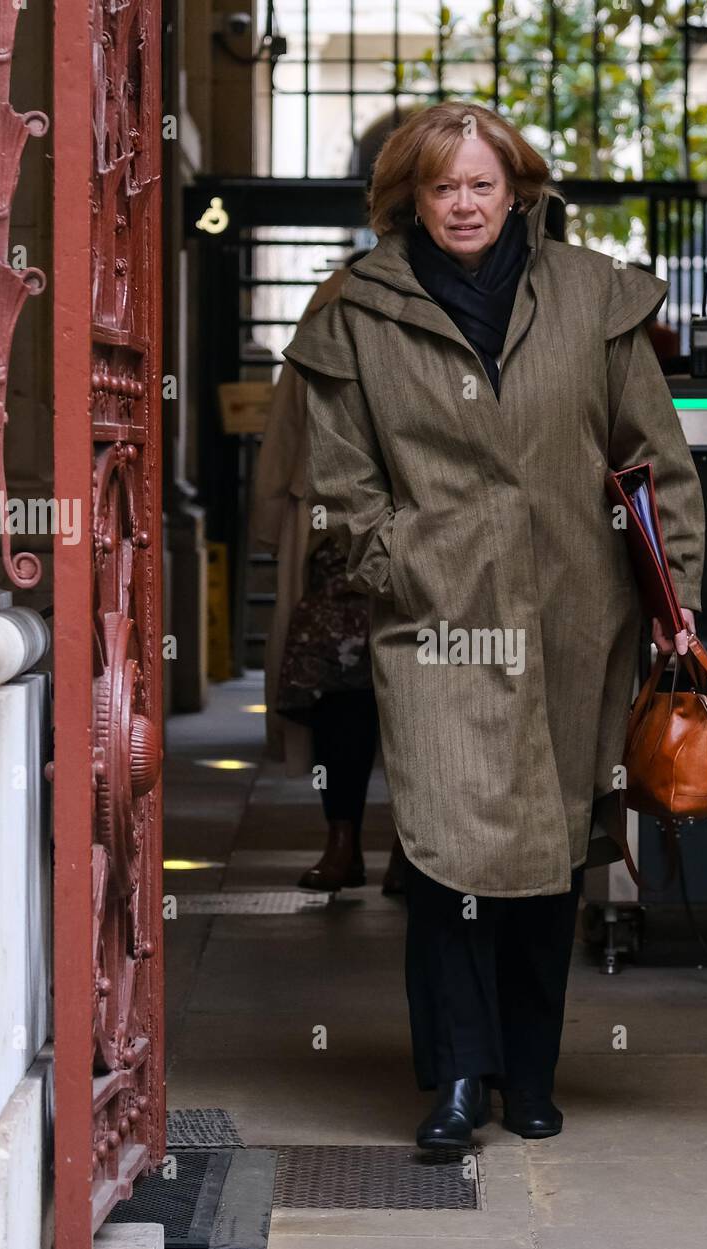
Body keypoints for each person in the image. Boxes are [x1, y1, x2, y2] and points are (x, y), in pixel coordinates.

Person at [282, 102, 705, 1148]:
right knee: (442, 854)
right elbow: (335, 483)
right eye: (440, 187)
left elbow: (654, 457)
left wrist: (672, 589)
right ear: (408, 199)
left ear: (516, 189)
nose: (462, 204)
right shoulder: (356, 311)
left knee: (552, 850)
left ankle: (531, 1066)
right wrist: (403, 567)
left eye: (480, 184)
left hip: (576, 614)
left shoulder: (592, 296)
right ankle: (460, 1077)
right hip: (432, 624)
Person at [252, 258, 406, 895]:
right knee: (341, 693)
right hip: (335, 539)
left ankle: (411, 847)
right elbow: (292, 424)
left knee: (425, 691)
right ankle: (346, 840)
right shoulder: (331, 310)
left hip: (420, 533)